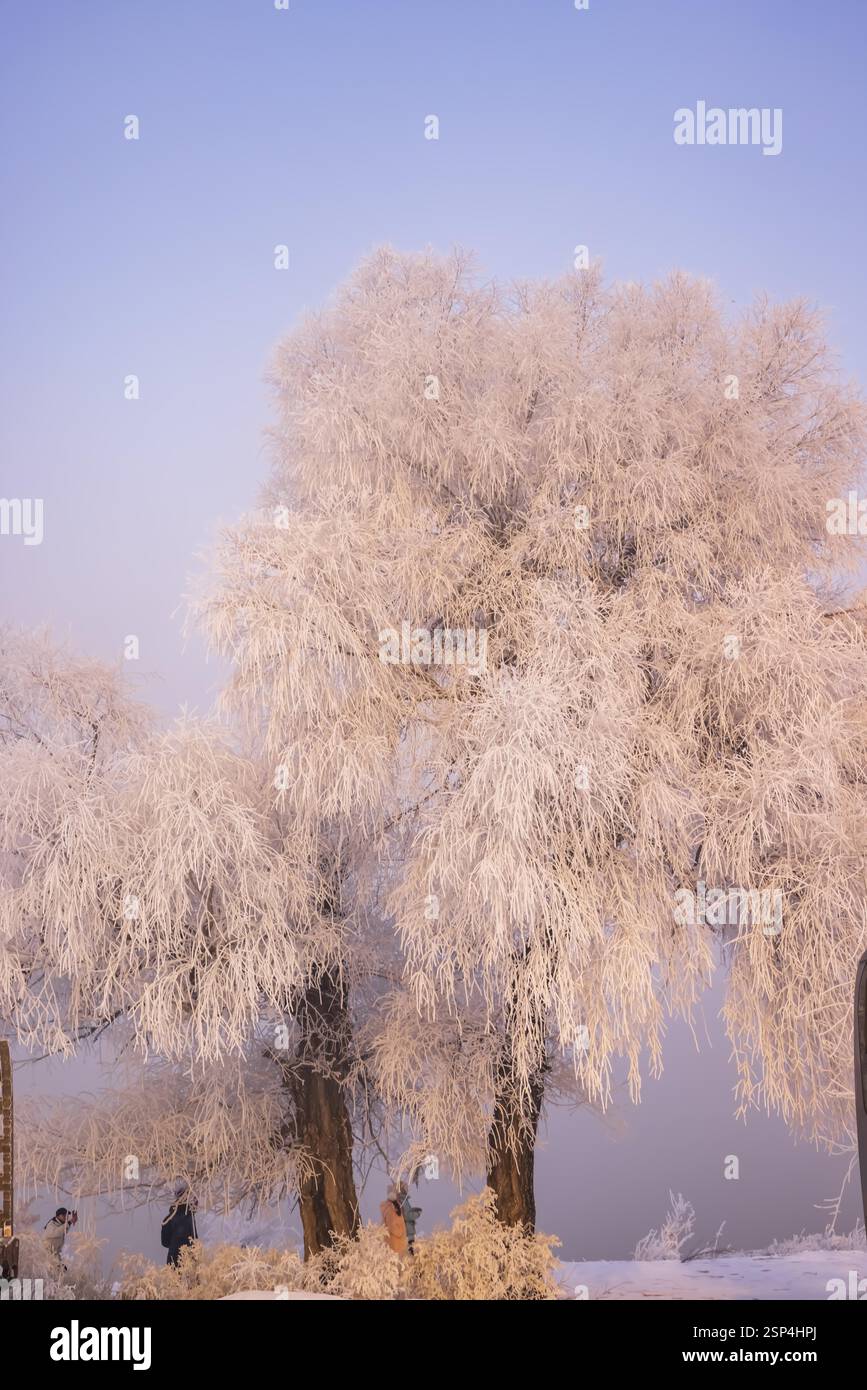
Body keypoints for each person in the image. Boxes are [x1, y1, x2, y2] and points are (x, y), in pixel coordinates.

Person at [160, 1186, 198, 1268]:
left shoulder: (168, 1219)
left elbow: (164, 1242)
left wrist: (174, 1243)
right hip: (191, 1257)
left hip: (173, 1258)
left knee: (175, 1280)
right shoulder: (190, 1215)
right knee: (191, 1279)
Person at [394, 1182, 422, 1253]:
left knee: (409, 1254)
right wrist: (417, 1213)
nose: (407, 1189)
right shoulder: (403, 1200)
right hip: (408, 1233)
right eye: (405, 1187)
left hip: (406, 1233)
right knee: (410, 1254)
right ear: (402, 1189)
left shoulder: (401, 1200)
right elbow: (407, 1215)